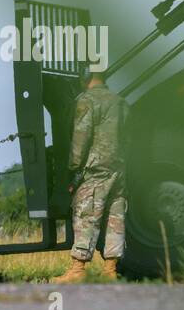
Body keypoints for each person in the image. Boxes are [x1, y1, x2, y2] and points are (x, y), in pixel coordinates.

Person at [53, 69, 128, 283]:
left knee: (86, 216)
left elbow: (80, 139)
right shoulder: (121, 102)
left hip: (94, 170)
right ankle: (110, 270)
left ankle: (78, 270)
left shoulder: (87, 101)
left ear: (84, 77)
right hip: (119, 170)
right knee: (116, 218)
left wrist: (72, 169)